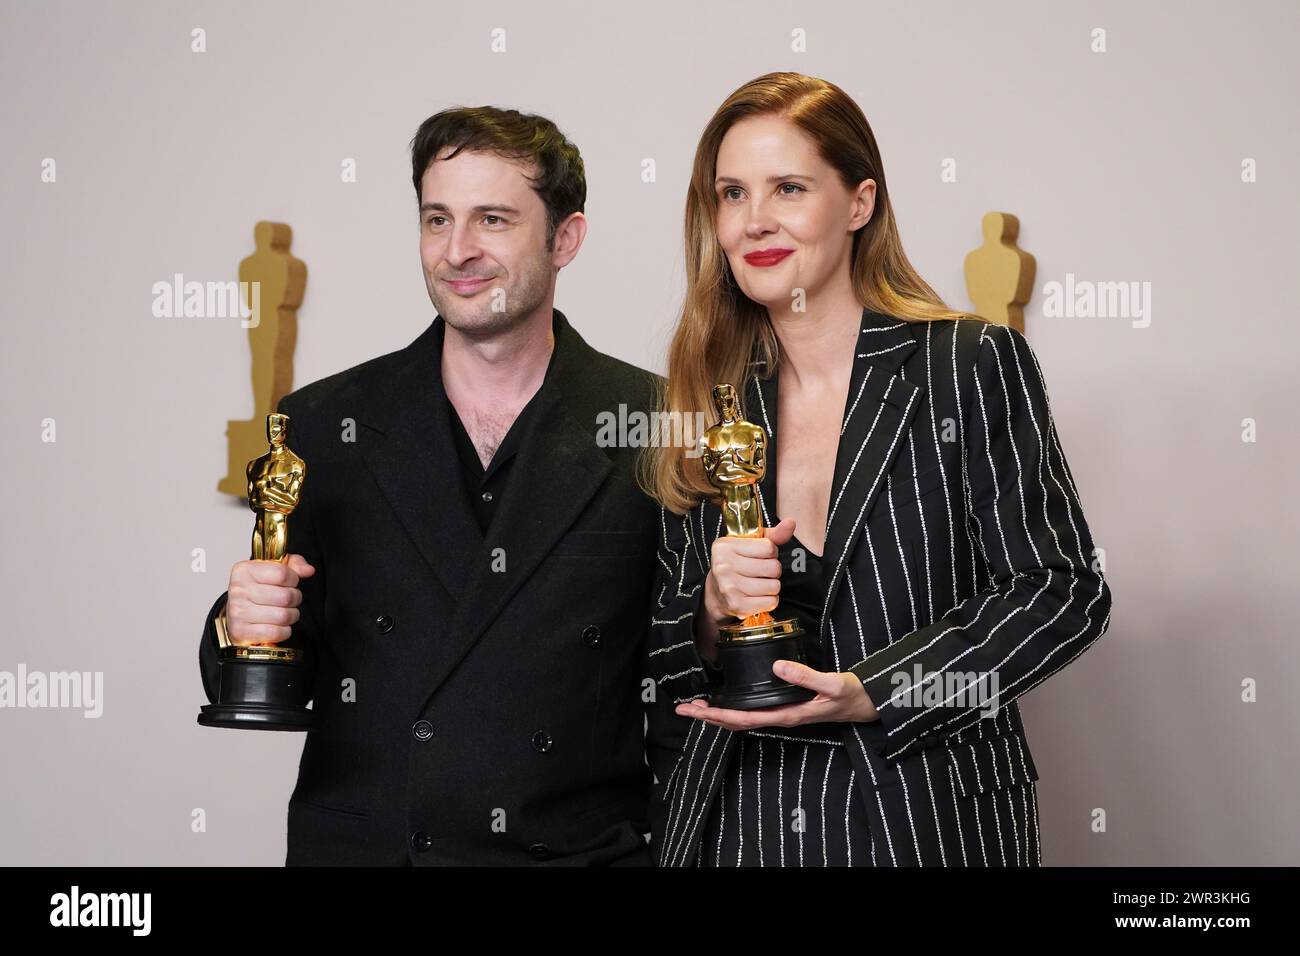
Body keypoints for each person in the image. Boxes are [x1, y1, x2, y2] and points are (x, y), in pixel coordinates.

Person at [644, 72, 1113, 867]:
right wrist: (709, 612)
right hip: (742, 825)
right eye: (731, 194)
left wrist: (880, 690)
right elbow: (656, 667)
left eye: (788, 188)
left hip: (928, 824)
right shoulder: (706, 404)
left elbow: (1063, 594)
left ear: (858, 203)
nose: (754, 220)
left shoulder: (966, 364)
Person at [199, 106, 680, 865]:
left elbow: (687, 682)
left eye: (492, 219)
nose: (458, 251)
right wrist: (244, 620)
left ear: (566, 239)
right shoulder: (324, 423)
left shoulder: (657, 424)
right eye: (436, 219)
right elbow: (276, 663)